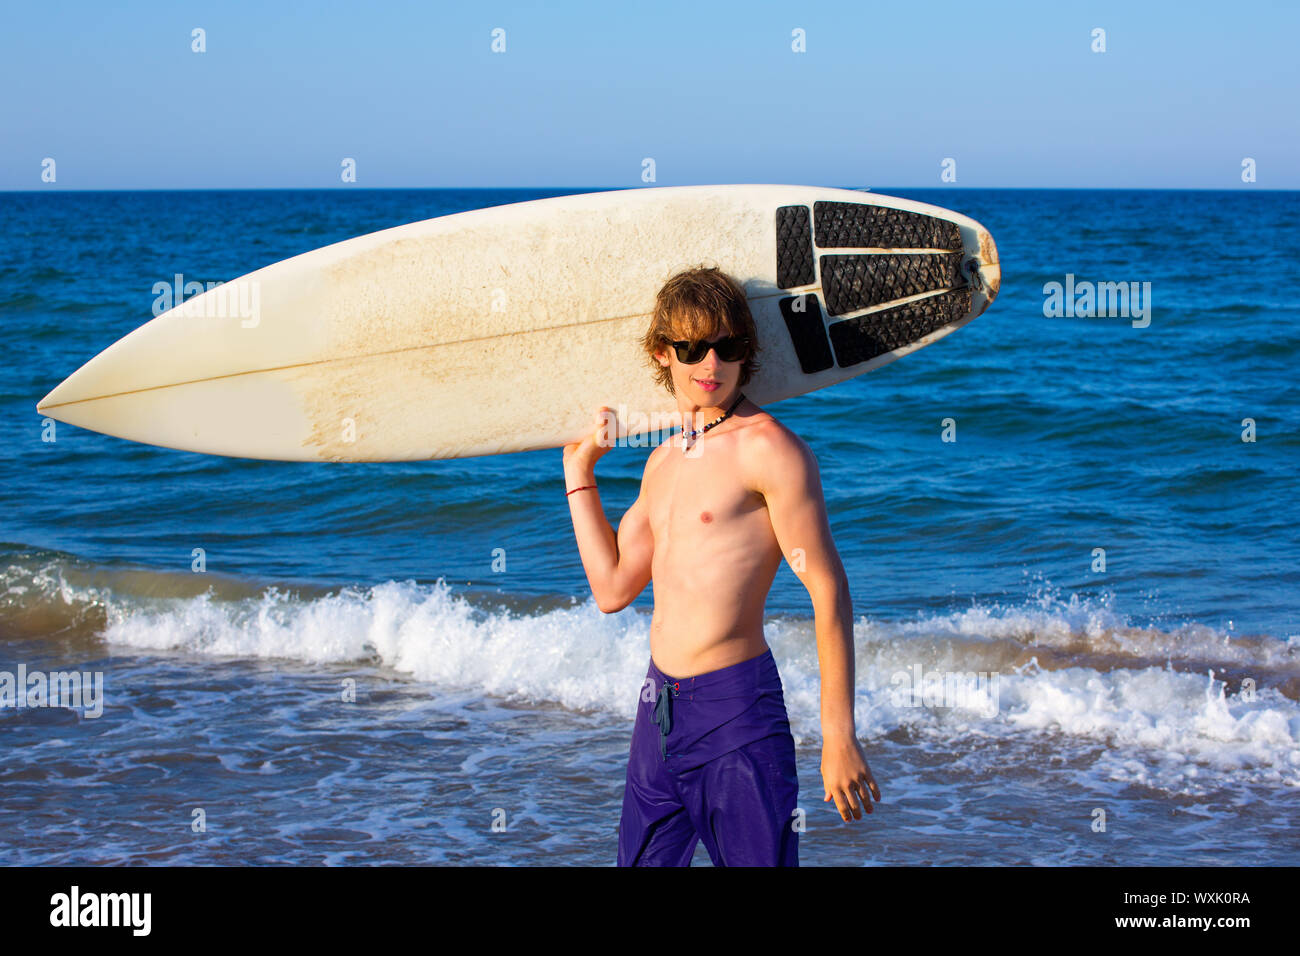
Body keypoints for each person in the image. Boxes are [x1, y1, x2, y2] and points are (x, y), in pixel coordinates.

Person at [562, 265, 880, 866]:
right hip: (656, 712)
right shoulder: (660, 463)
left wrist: (838, 734)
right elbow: (611, 588)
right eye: (691, 347)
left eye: (727, 346)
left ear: (746, 352)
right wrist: (580, 477)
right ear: (663, 353)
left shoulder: (771, 451)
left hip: (736, 715)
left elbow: (828, 589)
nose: (711, 363)